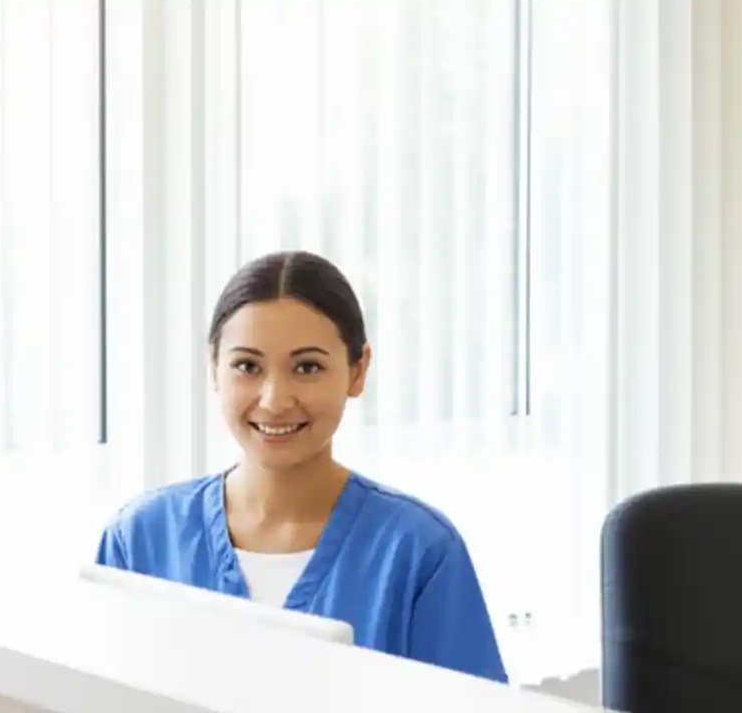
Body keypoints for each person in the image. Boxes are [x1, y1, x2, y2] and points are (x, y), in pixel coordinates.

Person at [94, 250, 507, 683]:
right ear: (214, 367)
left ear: (357, 370)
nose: (274, 400)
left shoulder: (418, 551)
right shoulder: (139, 540)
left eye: (307, 367)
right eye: (247, 366)